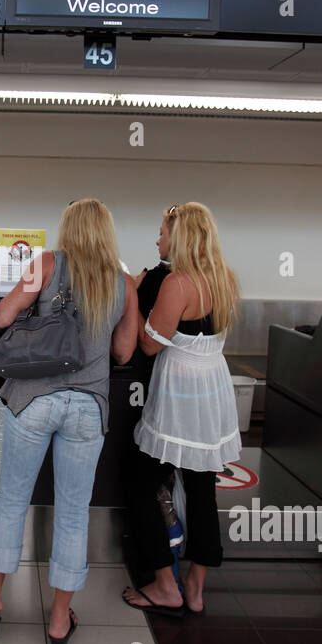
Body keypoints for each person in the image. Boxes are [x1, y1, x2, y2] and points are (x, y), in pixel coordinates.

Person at [0, 199, 139, 644]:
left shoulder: (47, 263)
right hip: (89, 408)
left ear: (68, 228)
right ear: (107, 232)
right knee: (72, 513)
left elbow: (4, 315)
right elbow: (125, 353)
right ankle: (59, 619)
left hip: (34, 400)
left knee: (10, 500)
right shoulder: (124, 284)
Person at [122, 203, 241, 617]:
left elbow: (150, 343)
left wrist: (131, 293)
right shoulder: (225, 278)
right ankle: (196, 588)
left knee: (139, 485)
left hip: (179, 395)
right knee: (202, 488)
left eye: (162, 232)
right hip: (213, 389)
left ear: (181, 237)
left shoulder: (178, 283)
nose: (158, 240)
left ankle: (165, 585)